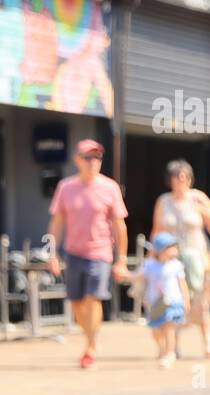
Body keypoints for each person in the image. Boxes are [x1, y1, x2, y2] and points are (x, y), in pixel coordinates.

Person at [46, 139, 129, 369]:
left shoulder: (110, 187)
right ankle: (91, 337)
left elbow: (119, 226)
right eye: (88, 158)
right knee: (77, 304)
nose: (93, 162)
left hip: (100, 253)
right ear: (77, 160)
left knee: (93, 299)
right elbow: (57, 223)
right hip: (73, 253)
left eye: (97, 158)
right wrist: (52, 254)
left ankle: (91, 346)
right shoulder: (66, 187)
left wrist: (121, 259)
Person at [151, 160, 210, 358]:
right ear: (170, 179)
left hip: (197, 259)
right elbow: (157, 232)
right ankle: (174, 344)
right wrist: (151, 258)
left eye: (185, 176)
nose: (182, 180)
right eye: (177, 176)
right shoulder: (164, 201)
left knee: (200, 302)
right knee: (175, 301)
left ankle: (207, 337)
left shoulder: (198, 199)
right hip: (172, 262)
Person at [137, 232, 191, 369]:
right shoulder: (149, 265)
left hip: (173, 301)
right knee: (155, 330)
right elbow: (138, 276)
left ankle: (170, 353)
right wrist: (125, 274)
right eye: (170, 247)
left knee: (169, 327)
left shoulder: (176, 265)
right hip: (155, 303)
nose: (174, 250)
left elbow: (183, 284)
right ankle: (162, 348)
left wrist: (186, 300)